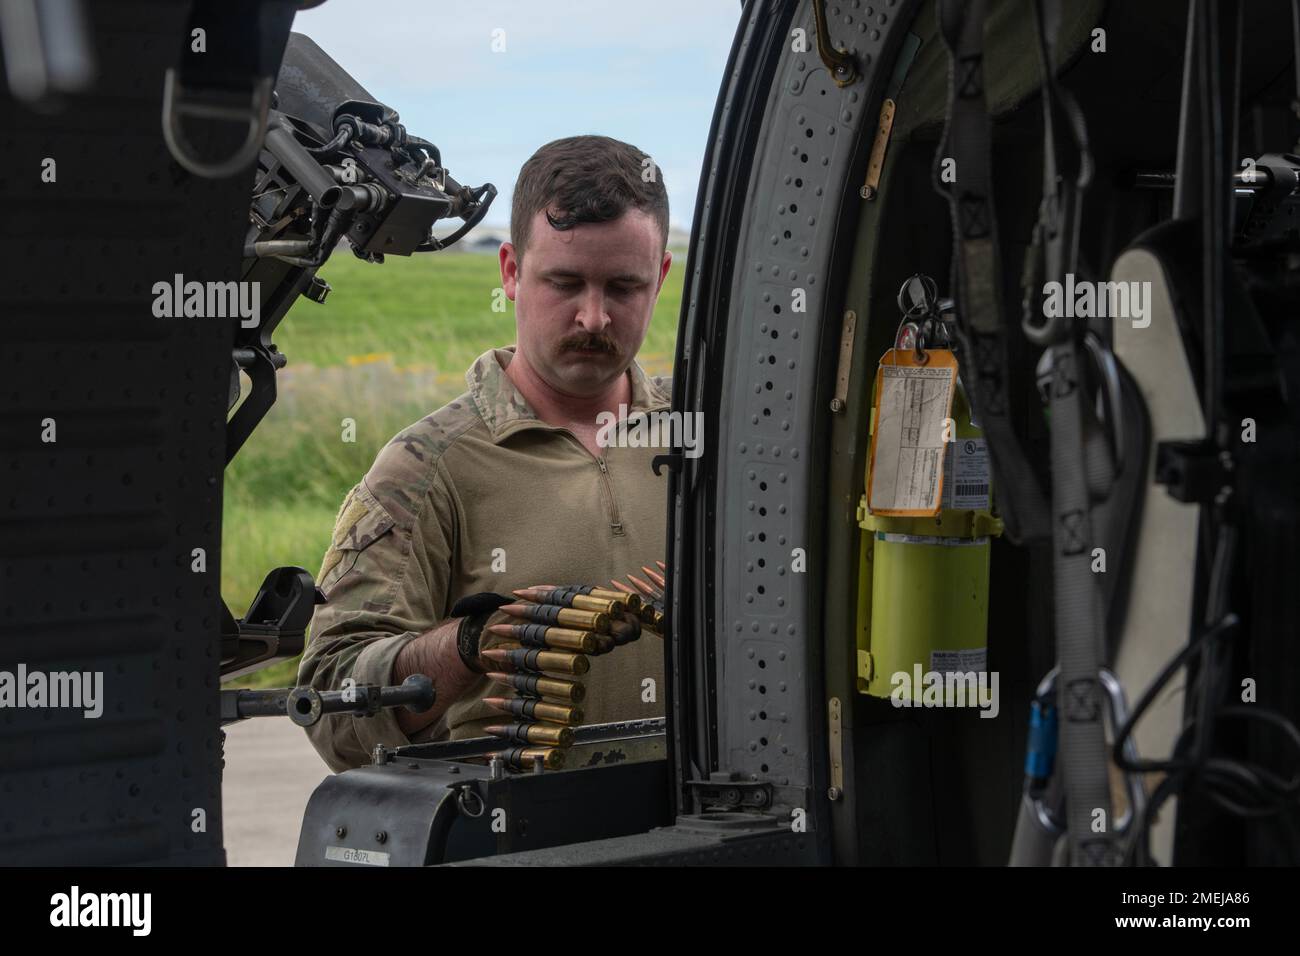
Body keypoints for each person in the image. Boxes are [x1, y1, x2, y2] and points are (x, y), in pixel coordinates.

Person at [299, 134, 675, 772]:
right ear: (510, 271)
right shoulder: (425, 468)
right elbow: (331, 709)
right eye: (565, 282)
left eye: (622, 287)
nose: (593, 318)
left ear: (661, 278)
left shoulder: (714, 438)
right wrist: (474, 645)